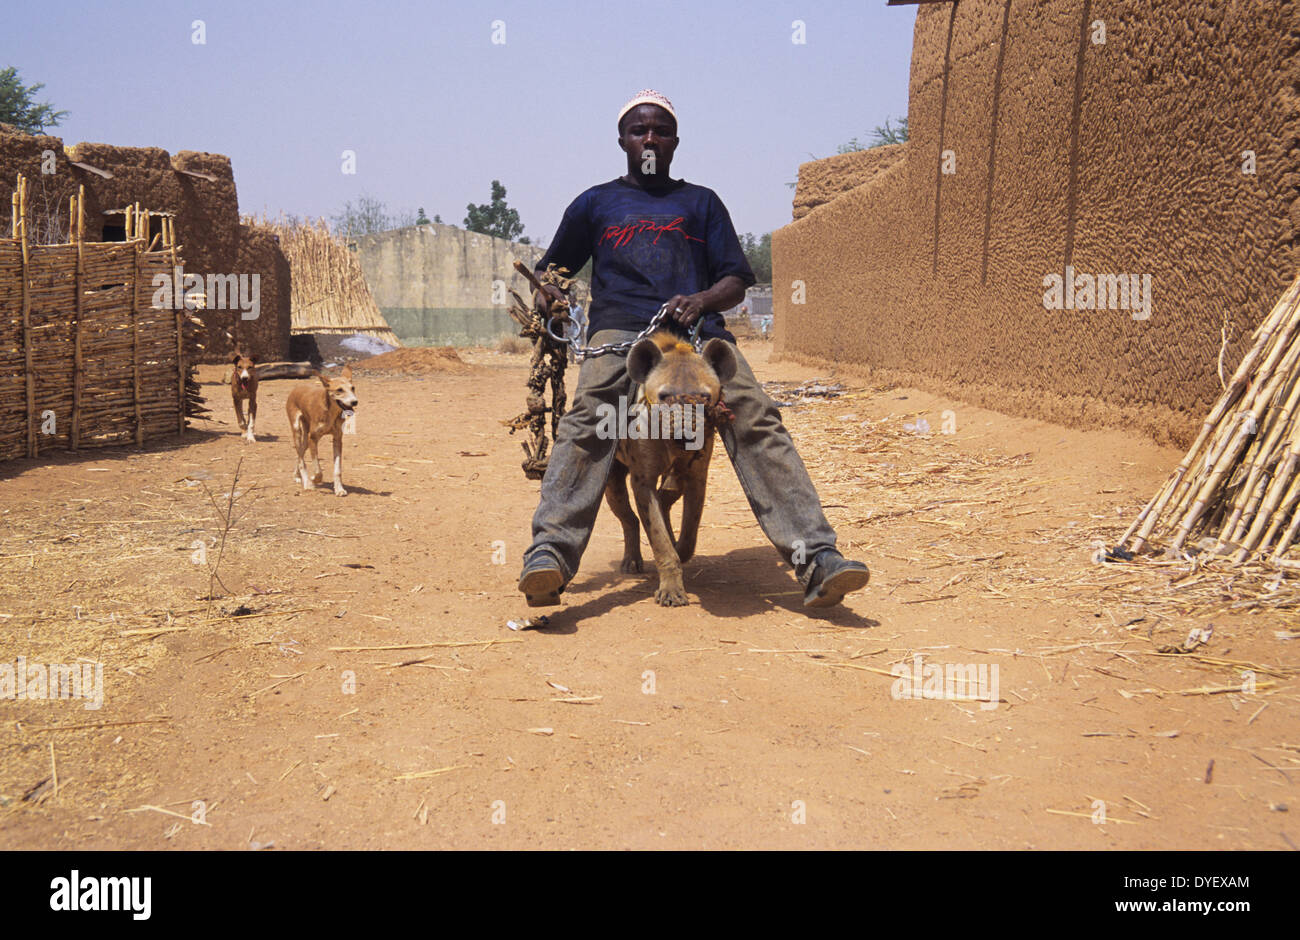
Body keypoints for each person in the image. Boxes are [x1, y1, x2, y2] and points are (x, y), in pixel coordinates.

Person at [518, 89, 869, 609]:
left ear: (676, 141)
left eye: (660, 130)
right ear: (622, 141)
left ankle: (817, 558)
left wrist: (701, 298)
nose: (650, 138)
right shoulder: (594, 203)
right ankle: (549, 554)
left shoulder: (702, 202)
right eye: (639, 130)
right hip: (622, 337)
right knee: (591, 417)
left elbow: (735, 279)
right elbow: (555, 273)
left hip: (696, 336)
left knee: (755, 416)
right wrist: (549, 294)